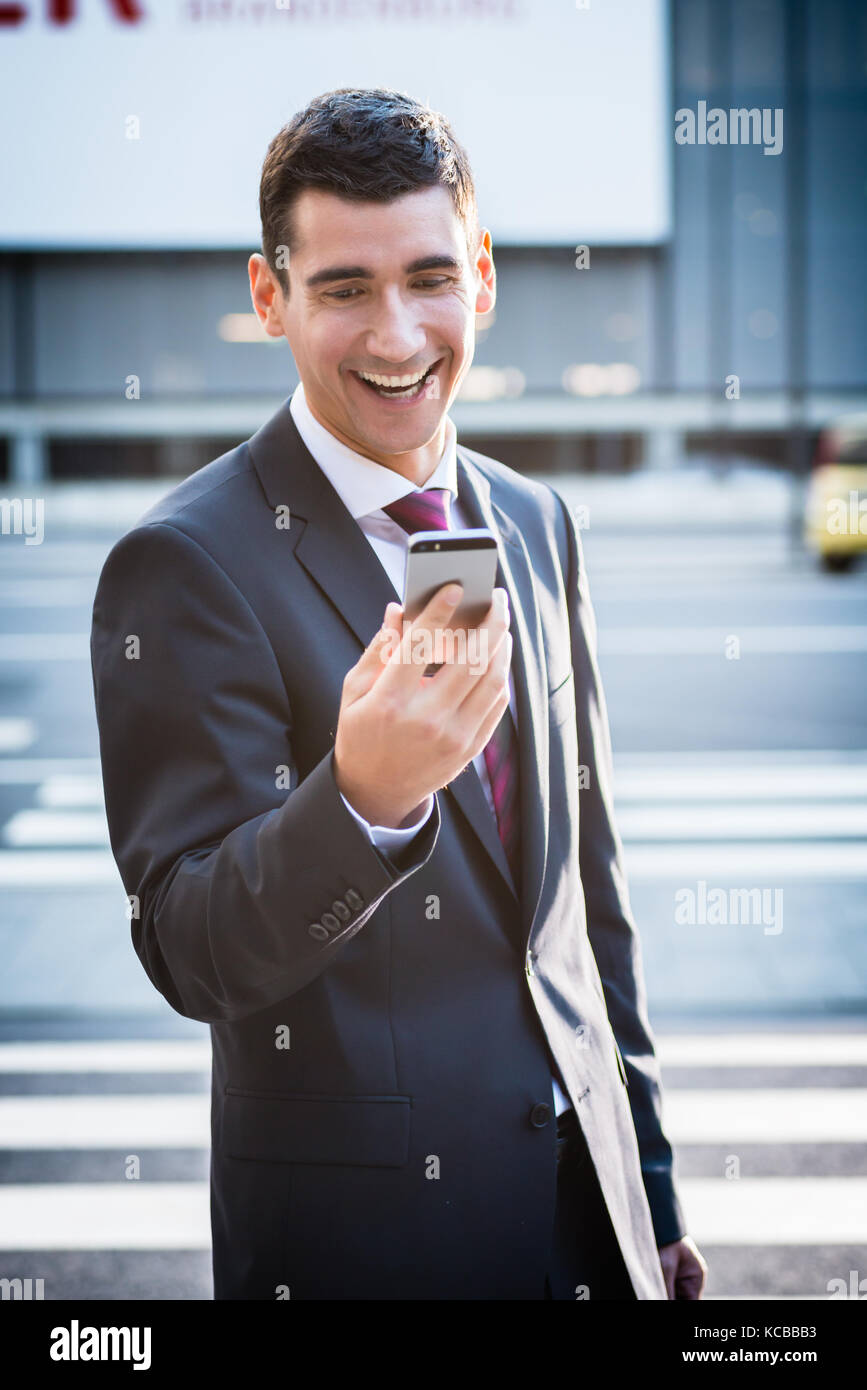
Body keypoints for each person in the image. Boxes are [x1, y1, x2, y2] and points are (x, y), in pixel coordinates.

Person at [90, 87, 707, 1301]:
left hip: (589, 1227)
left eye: (430, 277)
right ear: (269, 298)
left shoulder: (535, 518)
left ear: (482, 274)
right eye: (343, 289)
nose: (396, 335)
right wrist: (363, 801)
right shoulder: (185, 563)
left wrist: (653, 1194)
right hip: (367, 1255)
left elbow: (589, 905)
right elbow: (191, 948)